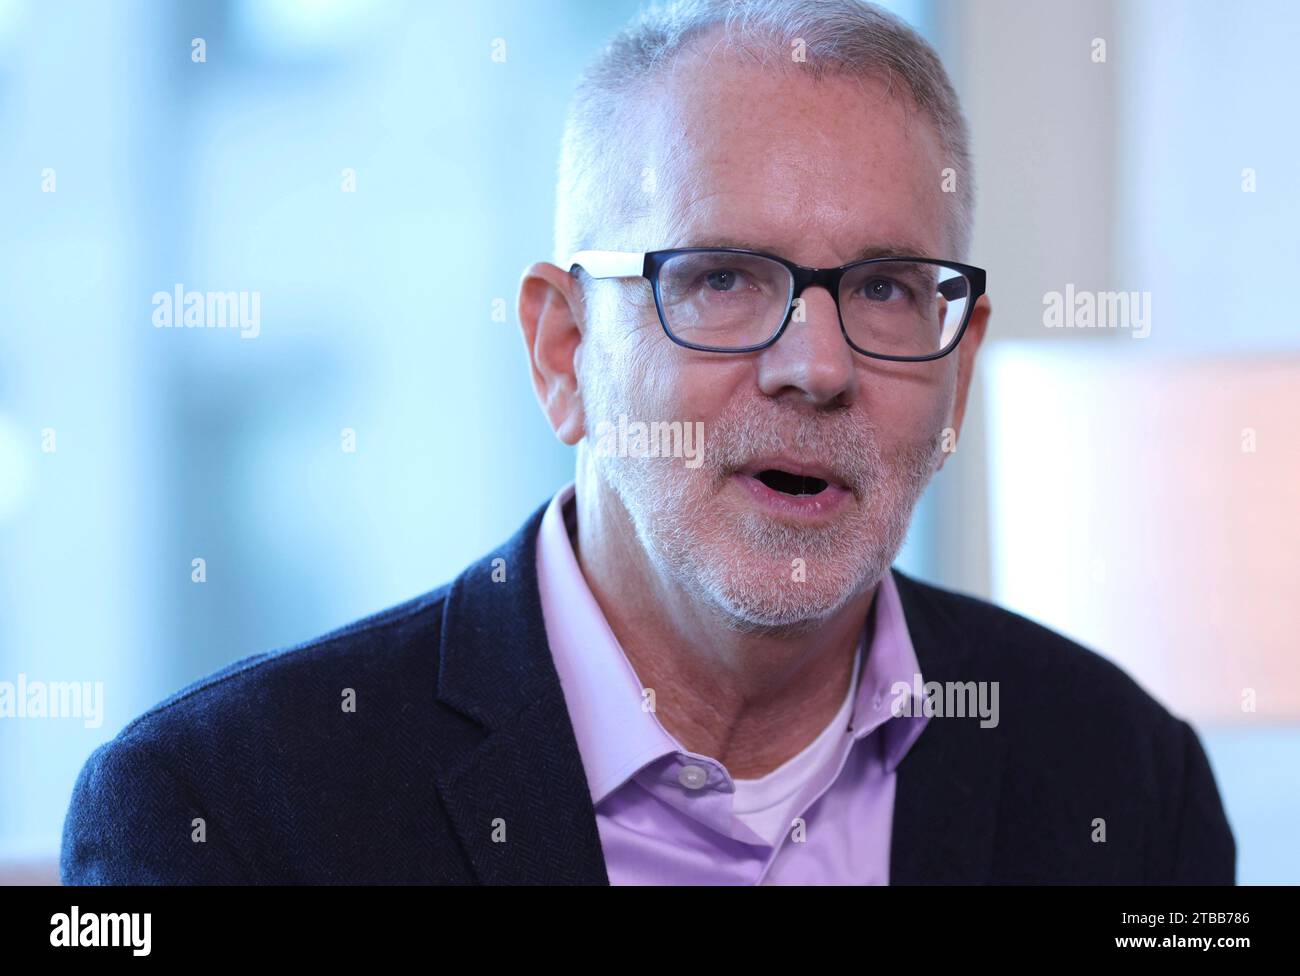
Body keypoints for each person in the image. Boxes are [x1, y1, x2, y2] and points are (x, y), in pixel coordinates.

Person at [61, 0, 1234, 885]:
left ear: (959, 368)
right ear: (565, 351)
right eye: (719, 277)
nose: (816, 367)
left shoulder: (1127, 783)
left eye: (883, 289)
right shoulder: (218, 812)